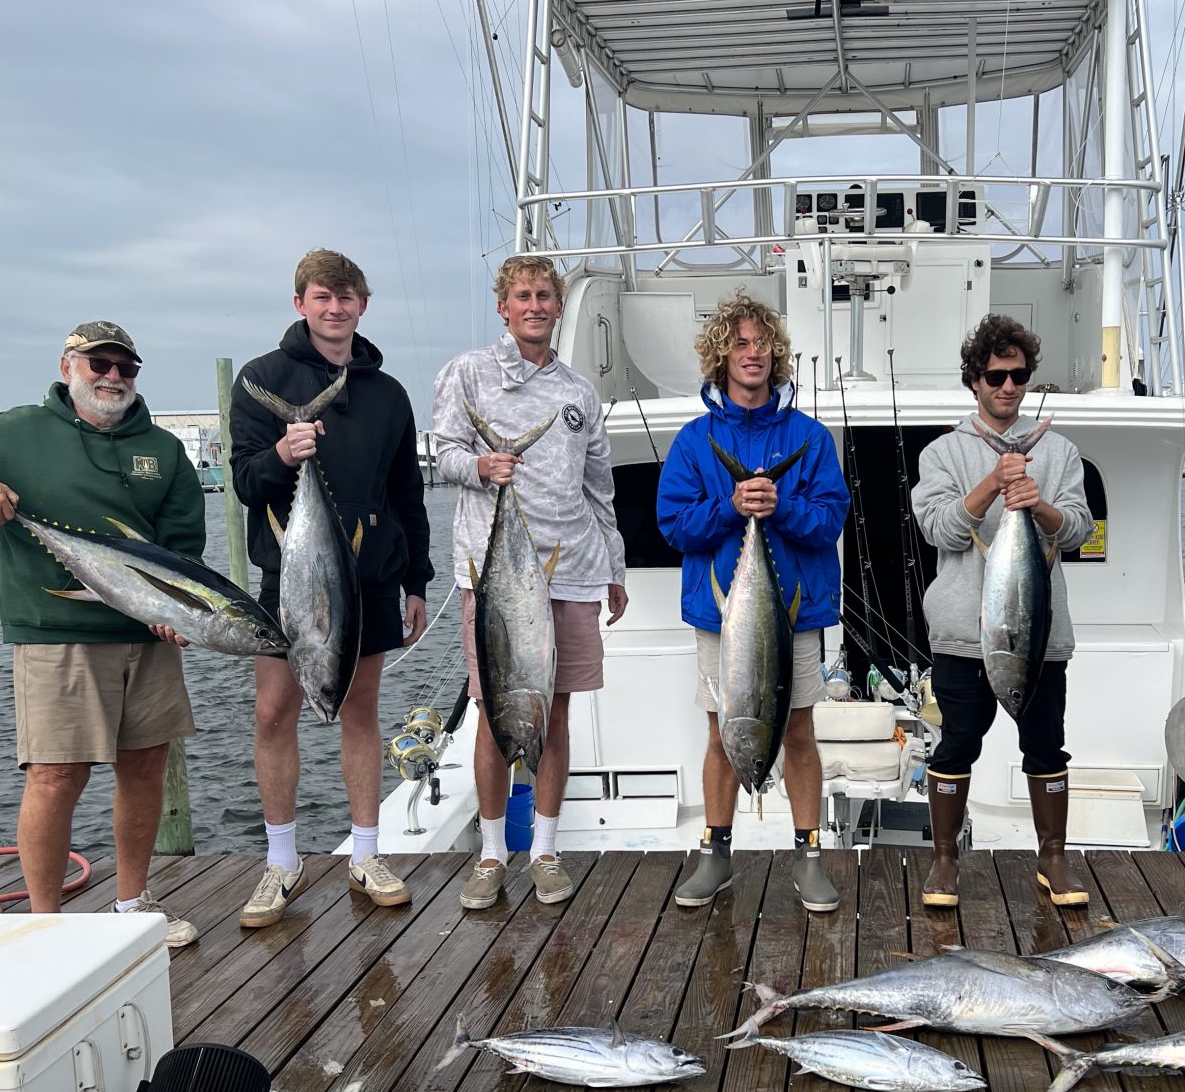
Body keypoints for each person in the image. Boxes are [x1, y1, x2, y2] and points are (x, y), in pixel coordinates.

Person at [0, 322, 203, 942]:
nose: (113, 375)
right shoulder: (14, 431)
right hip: (55, 632)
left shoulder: (164, 450)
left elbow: (183, 546)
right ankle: (43, 929)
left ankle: (133, 904)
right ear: (68, 366)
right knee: (56, 775)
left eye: (126, 367)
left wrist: (177, 611)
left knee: (145, 767)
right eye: (100, 363)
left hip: (147, 635)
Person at [232, 249, 432, 929]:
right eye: (323, 296)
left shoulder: (388, 393)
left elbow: (408, 492)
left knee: (360, 713)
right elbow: (244, 482)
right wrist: (281, 456)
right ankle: (281, 861)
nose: (335, 307)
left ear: (362, 306)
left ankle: (367, 854)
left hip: (371, 577)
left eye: (347, 297)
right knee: (272, 714)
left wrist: (417, 580)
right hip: (288, 578)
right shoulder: (261, 380)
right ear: (301, 303)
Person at [433, 254, 627, 912]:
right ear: (504, 306)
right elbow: (443, 453)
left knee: (555, 709)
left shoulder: (579, 391)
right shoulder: (467, 373)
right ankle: (491, 854)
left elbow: (600, 488)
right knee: (492, 711)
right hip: (494, 577)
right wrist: (482, 465)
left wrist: (616, 569)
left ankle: (544, 850)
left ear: (558, 305)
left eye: (546, 295)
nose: (537, 305)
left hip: (571, 571)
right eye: (524, 295)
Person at [657, 291, 849, 912]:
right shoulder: (694, 441)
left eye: (763, 343)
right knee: (721, 732)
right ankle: (716, 851)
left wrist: (780, 506)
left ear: (777, 357)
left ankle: (809, 853)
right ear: (721, 355)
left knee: (799, 728)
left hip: (796, 613)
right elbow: (673, 525)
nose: (753, 353)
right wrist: (733, 506)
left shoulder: (809, 438)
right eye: (740, 343)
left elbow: (830, 520)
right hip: (725, 616)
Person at [910, 314, 1096, 910]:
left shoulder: (1061, 451)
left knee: (1046, 746)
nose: (1008, 387)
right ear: (975, 381)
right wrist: (993, 483)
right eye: (996, 375)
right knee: (956, 744)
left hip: (1038, 637)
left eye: (1018, 376)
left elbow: (1080, 532)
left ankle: (1053, 859)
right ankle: (944, 862)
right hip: (965, 636)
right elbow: (939, 529)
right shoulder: (942, 453)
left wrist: (1037, 504)